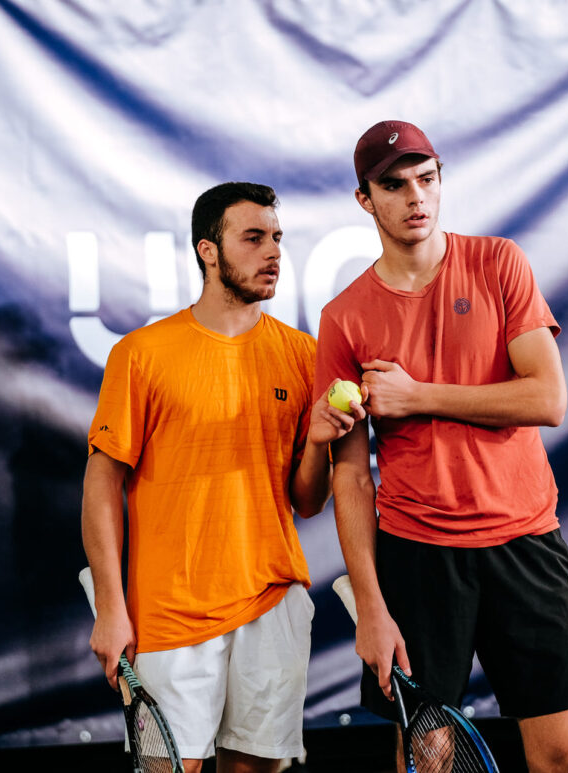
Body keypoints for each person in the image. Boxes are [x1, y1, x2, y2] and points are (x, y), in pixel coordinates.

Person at [316, 121, 568, 773]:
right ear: (365, 199)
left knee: (563, 756)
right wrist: (372, 609)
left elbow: (547, 398)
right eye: (394, 184)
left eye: (426, 178)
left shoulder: (499, 263)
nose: (415, 195)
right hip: (417, 555)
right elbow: (350, 479)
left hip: (525, 540)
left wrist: (418, 396)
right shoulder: (344, 317)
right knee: (429, 756)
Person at [82, 181, 363, 773]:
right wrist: (111, 604)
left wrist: (317, 443)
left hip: (272, 599)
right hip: (169, 610)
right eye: (254, 238)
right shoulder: (141, 354)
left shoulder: (304, 355)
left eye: (278, 238)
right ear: (209, 251)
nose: (273, 253)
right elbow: (102, 484)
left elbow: (306, 501)